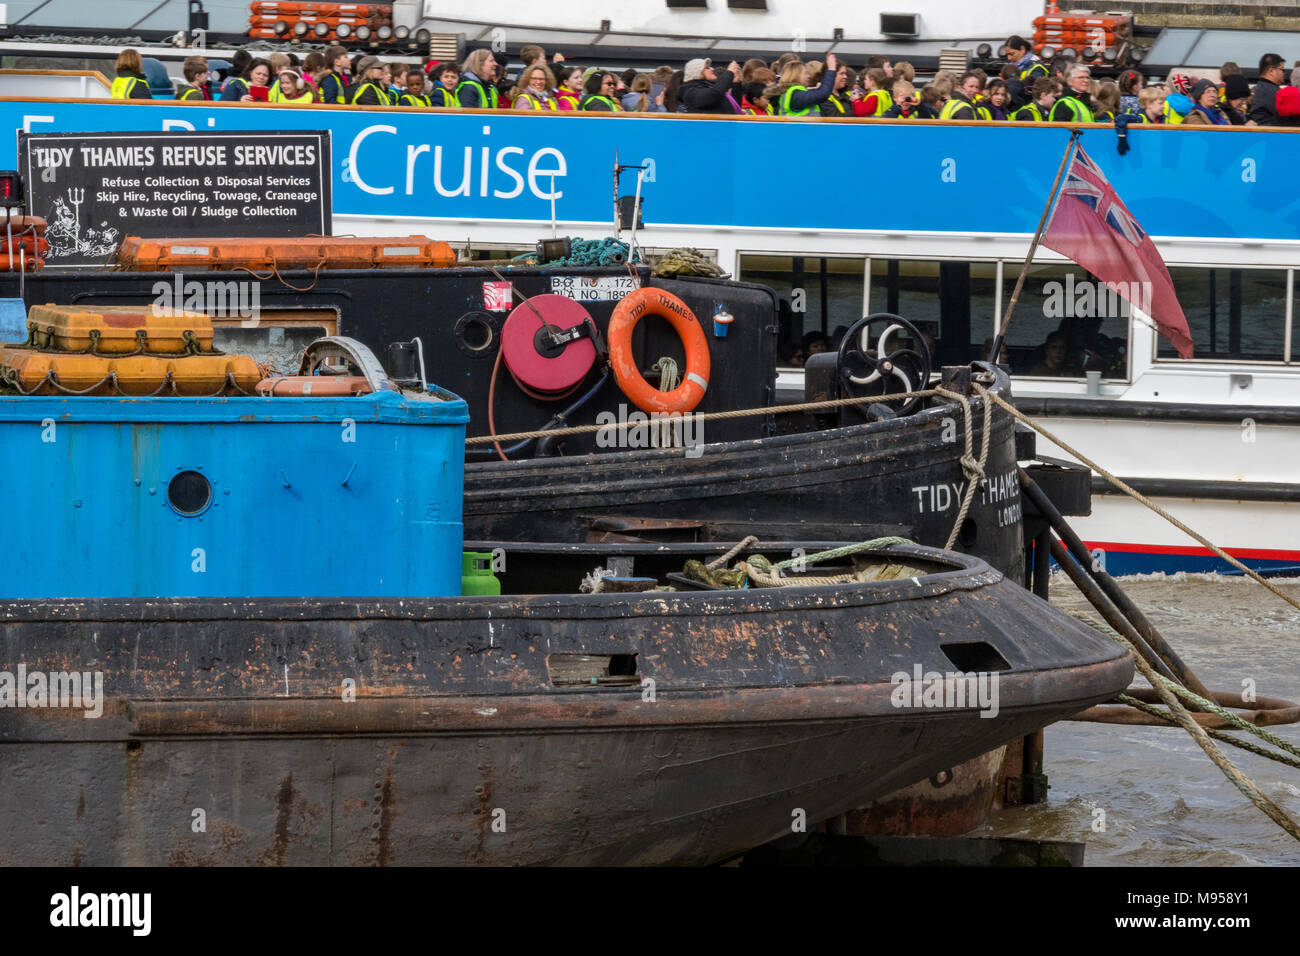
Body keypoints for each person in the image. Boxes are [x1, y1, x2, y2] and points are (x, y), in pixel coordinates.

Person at [772, 52, 838, 116]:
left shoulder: (792, 92)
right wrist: (831, 69)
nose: (808, 76)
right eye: (805, 73)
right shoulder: (795, 94)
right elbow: (823, 94)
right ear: (796, 75)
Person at [1248, 53, 1285, 126]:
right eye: (1282, 70)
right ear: (1271, 71)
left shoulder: (1261, 87)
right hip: (1270, 134)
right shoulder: (1271, 92)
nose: (1284, 73)